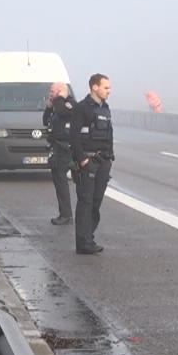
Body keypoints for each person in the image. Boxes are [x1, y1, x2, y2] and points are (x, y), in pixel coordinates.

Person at [70, 73, 114, 255]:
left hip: (103, 162)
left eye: (109, 88)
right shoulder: (82, 108)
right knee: (86, 202)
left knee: (96, 203)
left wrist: (110, 158)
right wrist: (82, 160)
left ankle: (89, 236)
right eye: (106, 87)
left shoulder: (105, 108)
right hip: (88, 162)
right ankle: (83, 243)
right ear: (94, 87)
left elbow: (109, 135)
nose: (109, 91)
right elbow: (73, 136)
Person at [42, 82, 77, 225]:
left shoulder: (69, 104)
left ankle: (66, 214)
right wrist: (49, 107)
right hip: (56, 148)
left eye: (53, 91)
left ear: (61, 92)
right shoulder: (56, 106)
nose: (50, 93)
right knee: (58, 181)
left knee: (62, 182)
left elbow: (64, 112)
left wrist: (59, 99)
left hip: (66, 149)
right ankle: (64, 212)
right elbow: (46, 121)